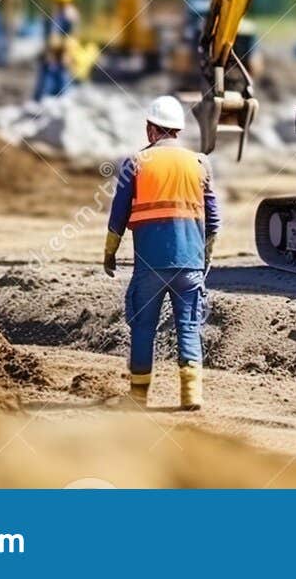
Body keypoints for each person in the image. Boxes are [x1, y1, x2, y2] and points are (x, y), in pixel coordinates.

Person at [104, 96, 220, 410]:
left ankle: (139, 397)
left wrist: (110, 252)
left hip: (150, 265)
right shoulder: (199, 163)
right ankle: (191, 396)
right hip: (190, 266)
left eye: (147, 128)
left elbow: (118, 215)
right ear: (176, 131)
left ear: (153, 130)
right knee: (189, 326)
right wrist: (205, 259)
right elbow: (213, 220)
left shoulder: (136, 163)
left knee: (143, 327)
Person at [33, 0, 80, 101]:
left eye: (63, 2)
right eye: (59, 2)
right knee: (46, 83)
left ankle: (62, 99)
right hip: (51, 58)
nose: (61, 5)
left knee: (63, 81)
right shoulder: (50, 16)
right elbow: (48, 38)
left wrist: (68, 54)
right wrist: (49, 52)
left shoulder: (71, 17)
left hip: (63, 58)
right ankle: (41, 101)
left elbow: (72, 38)